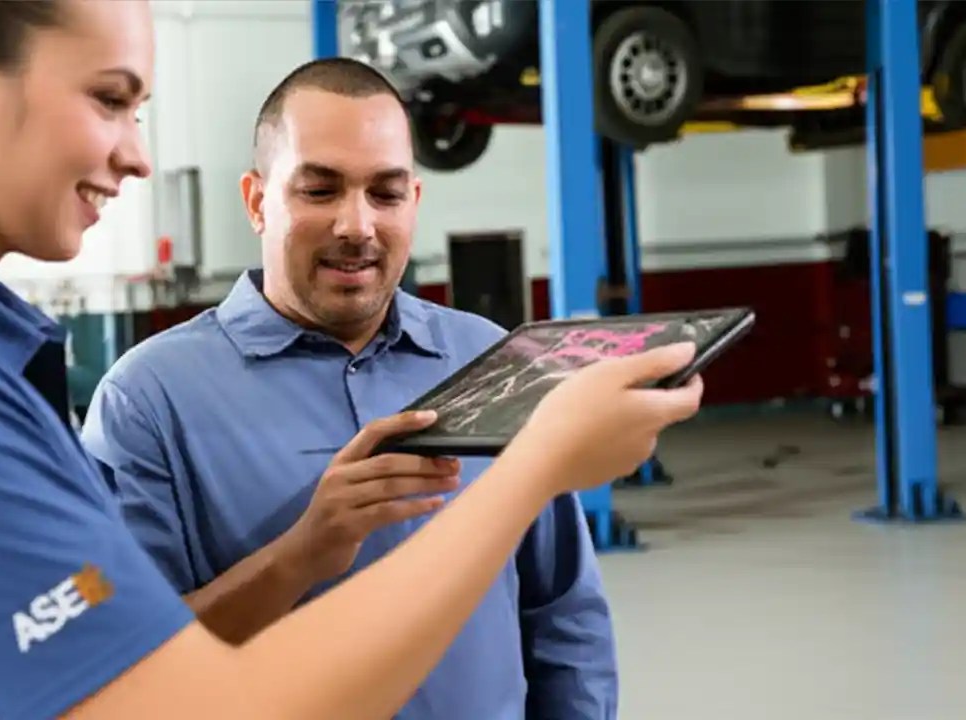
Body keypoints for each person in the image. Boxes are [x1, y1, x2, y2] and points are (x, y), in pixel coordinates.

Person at [0, 2, 704, 719]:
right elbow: (203, 700)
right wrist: (535, 463)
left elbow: (561, 617)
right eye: (109, 100)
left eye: (388, 191)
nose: (137, 157)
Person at [80, 58, 619, 719]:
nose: (357, 226)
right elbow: (128, 669)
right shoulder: (147, 401)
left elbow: (563, 608)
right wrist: (301, 554)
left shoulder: (490, 359)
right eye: (320, 190)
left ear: (413, 203)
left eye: (385, 194)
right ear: (257, 201)